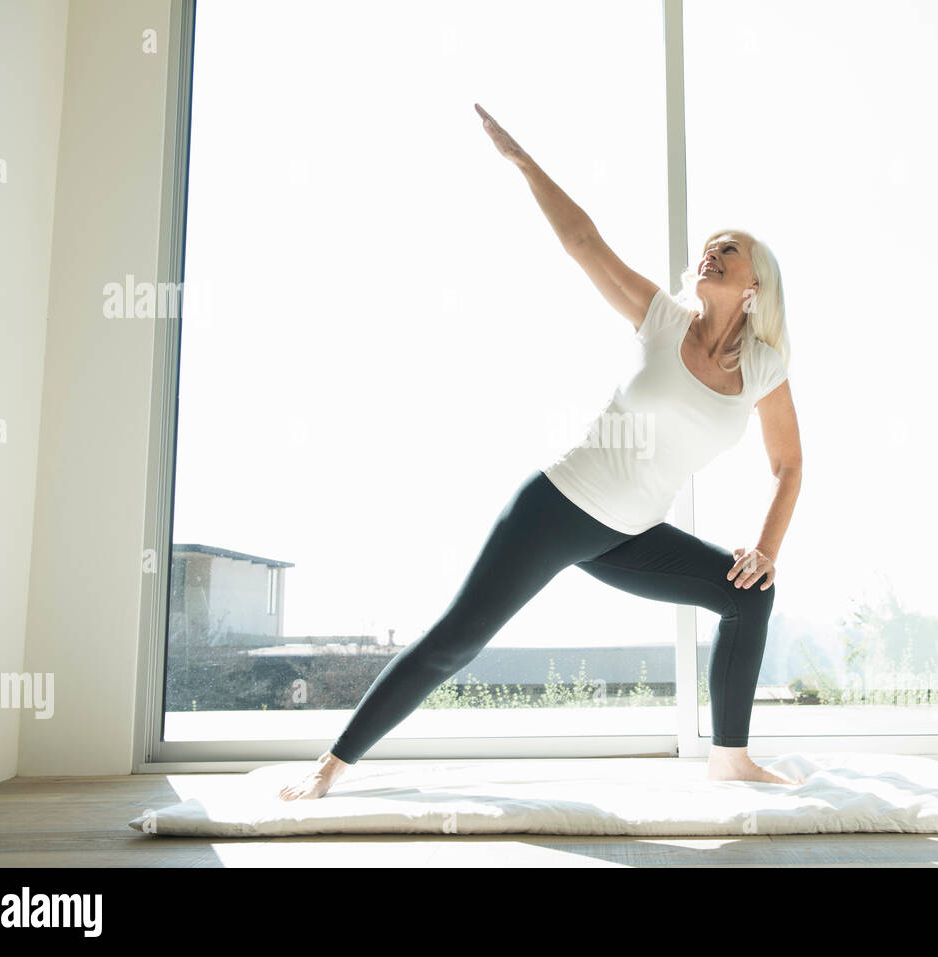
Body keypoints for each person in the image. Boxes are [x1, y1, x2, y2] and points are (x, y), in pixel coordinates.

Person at [278, 103, 803, 800]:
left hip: (632, 532)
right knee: (457, 640)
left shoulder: (763, 369)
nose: (710, 249)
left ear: (754, 282)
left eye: (727, 247)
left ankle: (729, 755)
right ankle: (334, 762)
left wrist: (765, 547)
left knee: (749, 595)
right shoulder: (661, 319)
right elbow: (585, 241)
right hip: (557, 509)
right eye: (708, 244)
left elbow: (788, 464)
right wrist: (525, 163)